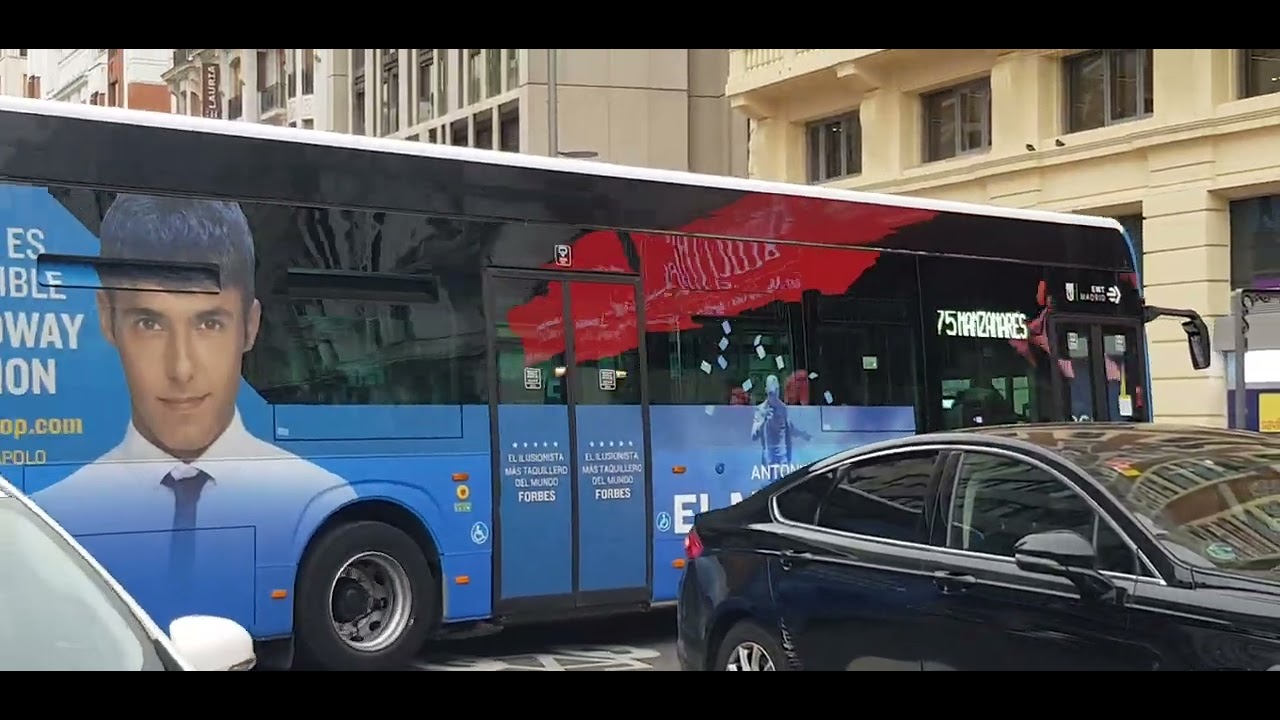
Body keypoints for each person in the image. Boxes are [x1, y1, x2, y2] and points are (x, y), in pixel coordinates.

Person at [32, 194, 355, 590]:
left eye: (209, 324)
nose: (181, 368)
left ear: (250, 326)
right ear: (107, 319)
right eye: (150, 324)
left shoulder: (319, 494)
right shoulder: (53, 515)